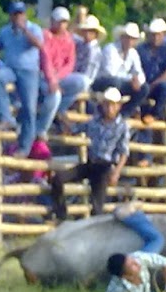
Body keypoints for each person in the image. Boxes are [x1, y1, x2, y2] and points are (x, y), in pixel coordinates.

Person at [48, 86, 130, 218]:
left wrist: (116, 172)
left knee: (97, 206)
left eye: (113, 105)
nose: (109, 108)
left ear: (118, 106)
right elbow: (75, 129)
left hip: (105, 167)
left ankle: (96, 226)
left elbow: (124, 152)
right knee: (58, 179)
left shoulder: (122, 126)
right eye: (107, 104)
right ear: (103, 105)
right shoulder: (94, 121)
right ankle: (61, 215)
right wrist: (64, 121)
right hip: (91, 163)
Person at [0, 1, 46, 153]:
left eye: (20, 14)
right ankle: (6, 118)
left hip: (29, 71)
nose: (18, 17)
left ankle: (25, 147)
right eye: (15, 14)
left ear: (25, 15)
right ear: (10, 16)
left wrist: (24, 30)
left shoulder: (34, 28)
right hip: (10, 68)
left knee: (29, 108)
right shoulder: (5, 31)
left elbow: (39, 44)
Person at [103, 206, 166, 292]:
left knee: (156, 239)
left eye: (132, 260)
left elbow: (165, 262)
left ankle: (130, 216)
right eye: (132, 265)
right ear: (125, 276)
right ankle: (136, 216)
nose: (136, 263)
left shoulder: (139, 259)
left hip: (143, 291)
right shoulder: (118, 291)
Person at [37, 8, 88, 136]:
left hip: (59, 76)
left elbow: (70, 63)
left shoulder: (68, 39)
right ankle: (41, 129)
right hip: (43, 76)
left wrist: (57, 77)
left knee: (83, 82)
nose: (61, 25)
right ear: (52, 21)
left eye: (64, 22)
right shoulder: (45, 35)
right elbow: (45, 59)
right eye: (59, 21)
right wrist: (52, 79)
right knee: (55, 95)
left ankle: (59, 110)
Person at [97, 23, 149, 117]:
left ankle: (124, 113)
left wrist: (137, 80)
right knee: (115, 82)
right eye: (127, 38)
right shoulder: (110, 49)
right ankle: (105, 111)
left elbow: (140, 72)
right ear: (121, 37)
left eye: (132, 39)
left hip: (121, 82)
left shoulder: (133, 53)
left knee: (144, 88)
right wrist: (131, 78)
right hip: (103, 81)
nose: (129, 41)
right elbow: (110, 72)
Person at [136, 17, 166, 121]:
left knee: (165, 87)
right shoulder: (141, 49)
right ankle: (135, 111)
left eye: (158, 34)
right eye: (153, 34)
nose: (155, 37)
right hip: (143, 84)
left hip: (160, 86)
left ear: (164, 35)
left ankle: (155, 114)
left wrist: (155, 84)